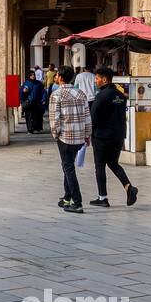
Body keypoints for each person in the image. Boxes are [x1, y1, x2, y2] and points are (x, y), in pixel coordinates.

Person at [88, 67, 138, 208]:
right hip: (118, 136)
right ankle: (129, 187)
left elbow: (94, 117)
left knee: (100, 165)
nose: (95, 81)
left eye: (97, 78)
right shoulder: (120, 96)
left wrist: (89, 133)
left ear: (104, 79)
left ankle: (102, 197)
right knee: (113, 163)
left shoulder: (101, 96)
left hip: (102, 136)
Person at [48, 65, 90, 213]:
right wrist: (87, 135)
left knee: (68, 168)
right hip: (79, 137)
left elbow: (54, 119)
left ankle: (77, 202)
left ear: (59, 77)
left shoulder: (56, 95)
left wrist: (56, 134)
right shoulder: (80, 93)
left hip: (65, 137)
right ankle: (67, 197)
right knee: (68, 166)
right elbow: (87, 117)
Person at [19, 70, 45, 134]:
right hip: (28, 102)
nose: (33, 76)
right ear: (29, 76)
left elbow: (43, 92)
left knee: (36, 116)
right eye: (31, 75)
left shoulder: (39, 84)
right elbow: (21, 92)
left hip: (37, 102)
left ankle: (36, 127)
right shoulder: (26, 83)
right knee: (28, 116)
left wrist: (43, 99)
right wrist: (23, 91)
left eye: (34, 75)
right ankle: (30, 129)